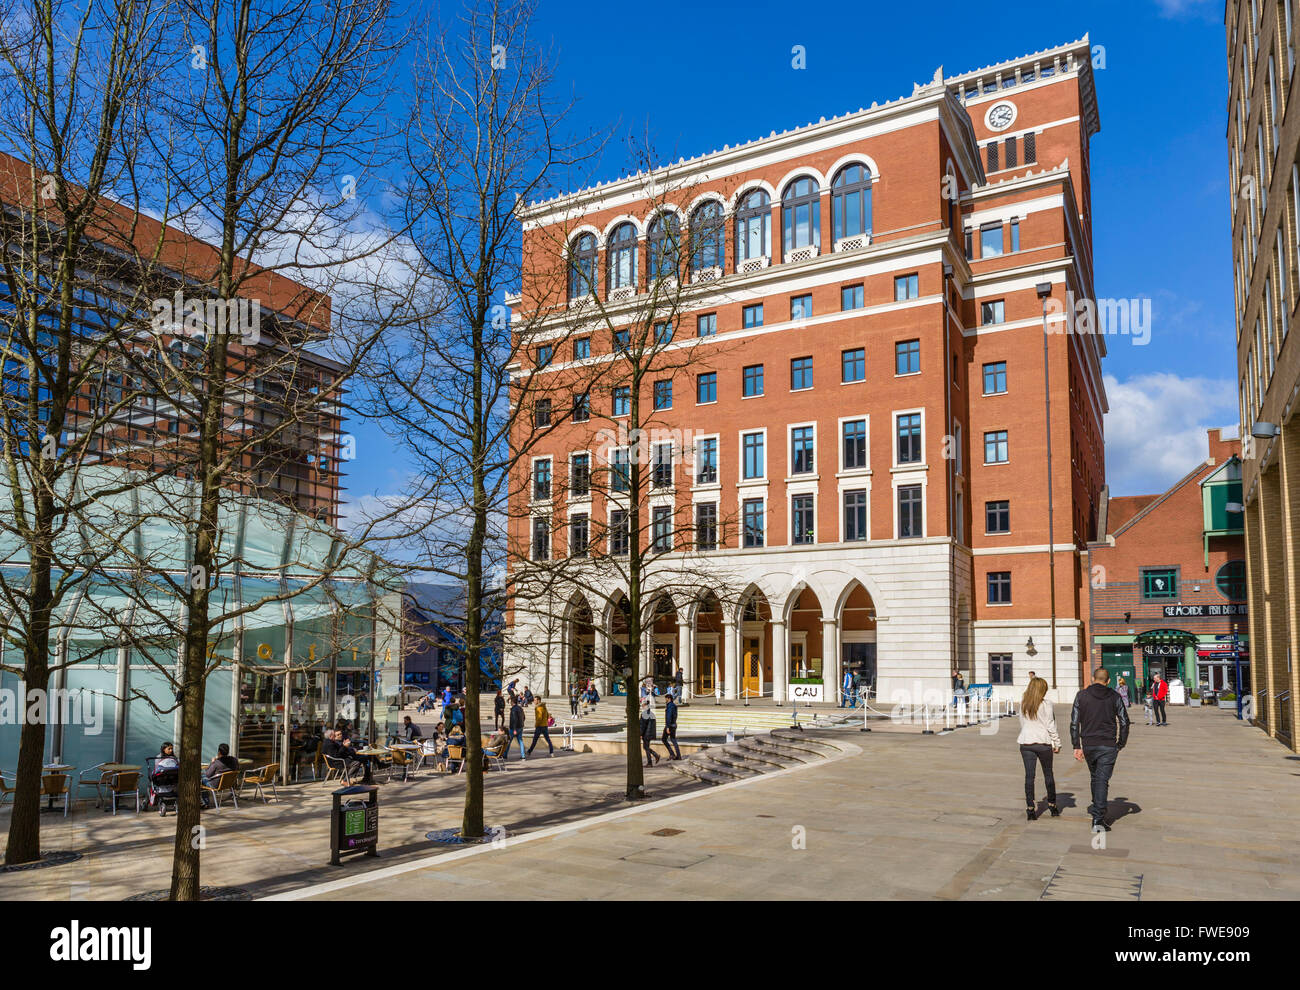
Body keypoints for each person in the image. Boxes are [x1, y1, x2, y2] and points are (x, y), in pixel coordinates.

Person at [1070, 667, 1130, 833]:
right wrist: (1120, 743)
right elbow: (1124, 721)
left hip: (1089, 743)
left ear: (1092, 678)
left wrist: (1076, 745)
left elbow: (1074, 722)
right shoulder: (1114, 696)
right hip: (1107, 744)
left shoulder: (1081, 696)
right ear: (1108, 681)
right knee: (1102, 779)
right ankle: (1098, 818)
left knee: (1096, 777)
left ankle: (1097, 808)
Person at [1017, 677, 1061, 820]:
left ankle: (1030, 808)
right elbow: (1050, 724)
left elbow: (1022, 722)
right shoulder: (1046, 704)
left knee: (1029, 776)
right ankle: (1052, 805)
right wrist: (1057, 742)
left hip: (1026, 742)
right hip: (1043, 742)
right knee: (1048, 774)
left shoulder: (1023, 703)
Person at [639, 699, 660, 767]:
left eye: (642, 705)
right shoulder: (651, 713)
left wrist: (640, 734)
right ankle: (655, 756)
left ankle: (651, 761)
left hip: (646, 734)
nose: (641, 706)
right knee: (646, 747)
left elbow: (642, 726)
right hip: (650, 733)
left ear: (644, 705)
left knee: (646, 747)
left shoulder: (644, 714)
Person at [662, 693, 682, 760]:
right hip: (673, 724)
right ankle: (678, 756)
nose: (665, 700)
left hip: (670, 725)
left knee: (664, 739)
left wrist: (667, 727)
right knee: (673, 740)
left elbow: (669, 716)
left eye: (666, 698)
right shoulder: (673, 705)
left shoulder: (670, 706)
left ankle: (672, 754)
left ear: (669, 699)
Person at [508, 696, 527, 761]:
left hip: (514, 728)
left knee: (508, 741)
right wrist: (521, 724)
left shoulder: (513, 709)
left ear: (512, 702)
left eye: (511, 702)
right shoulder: (520, 708)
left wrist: (515, 729)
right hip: (520, 727)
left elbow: (514, 719)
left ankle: (504, 755)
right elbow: (524, 717)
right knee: (520, 741)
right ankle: (523, 756)